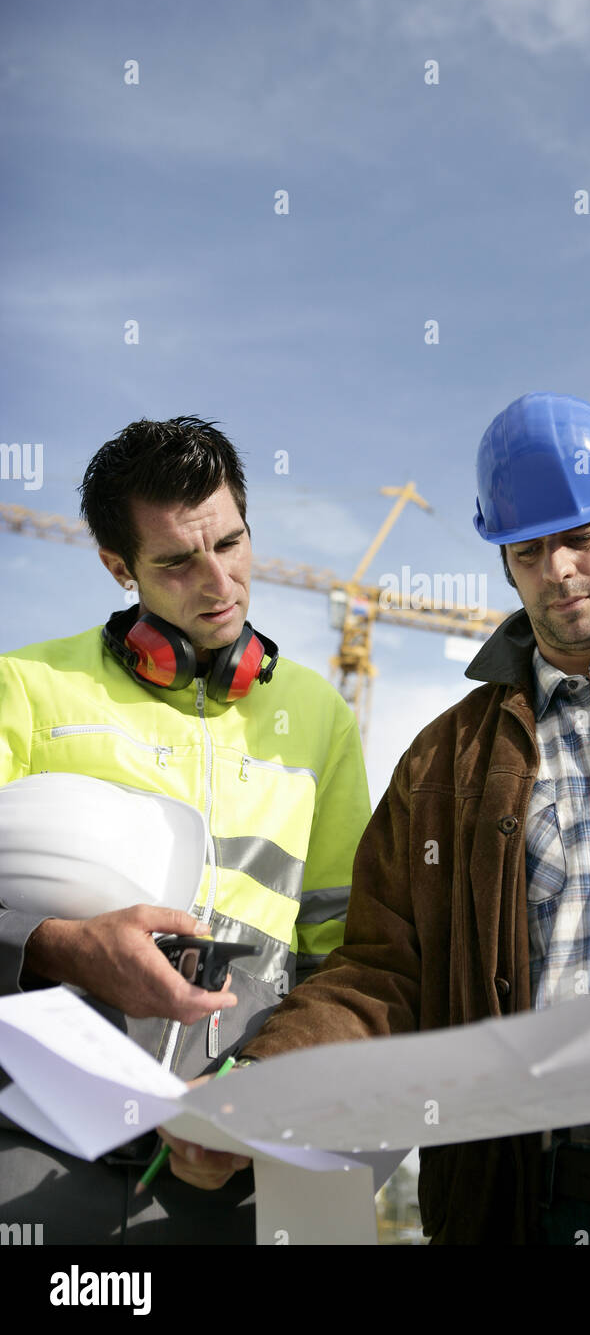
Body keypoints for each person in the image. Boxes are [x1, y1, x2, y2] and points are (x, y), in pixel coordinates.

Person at [161, 393, 590, 1246]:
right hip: (533, 1207)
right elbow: (383, 974)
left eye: (581, 537)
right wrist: (260, 1080)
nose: (559, 569)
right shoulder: (440, 765)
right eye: (528, 550)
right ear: (504, 565)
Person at [0, 415, 371, 1244]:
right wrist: (55, 944)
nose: (220, 583)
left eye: (232, 543)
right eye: (175, 562)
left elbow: (350, 958)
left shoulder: (321, 717)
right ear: (116, 566)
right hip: (37, 1162)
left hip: (247, 1164)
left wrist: (273, 1089)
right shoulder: (22, 688)